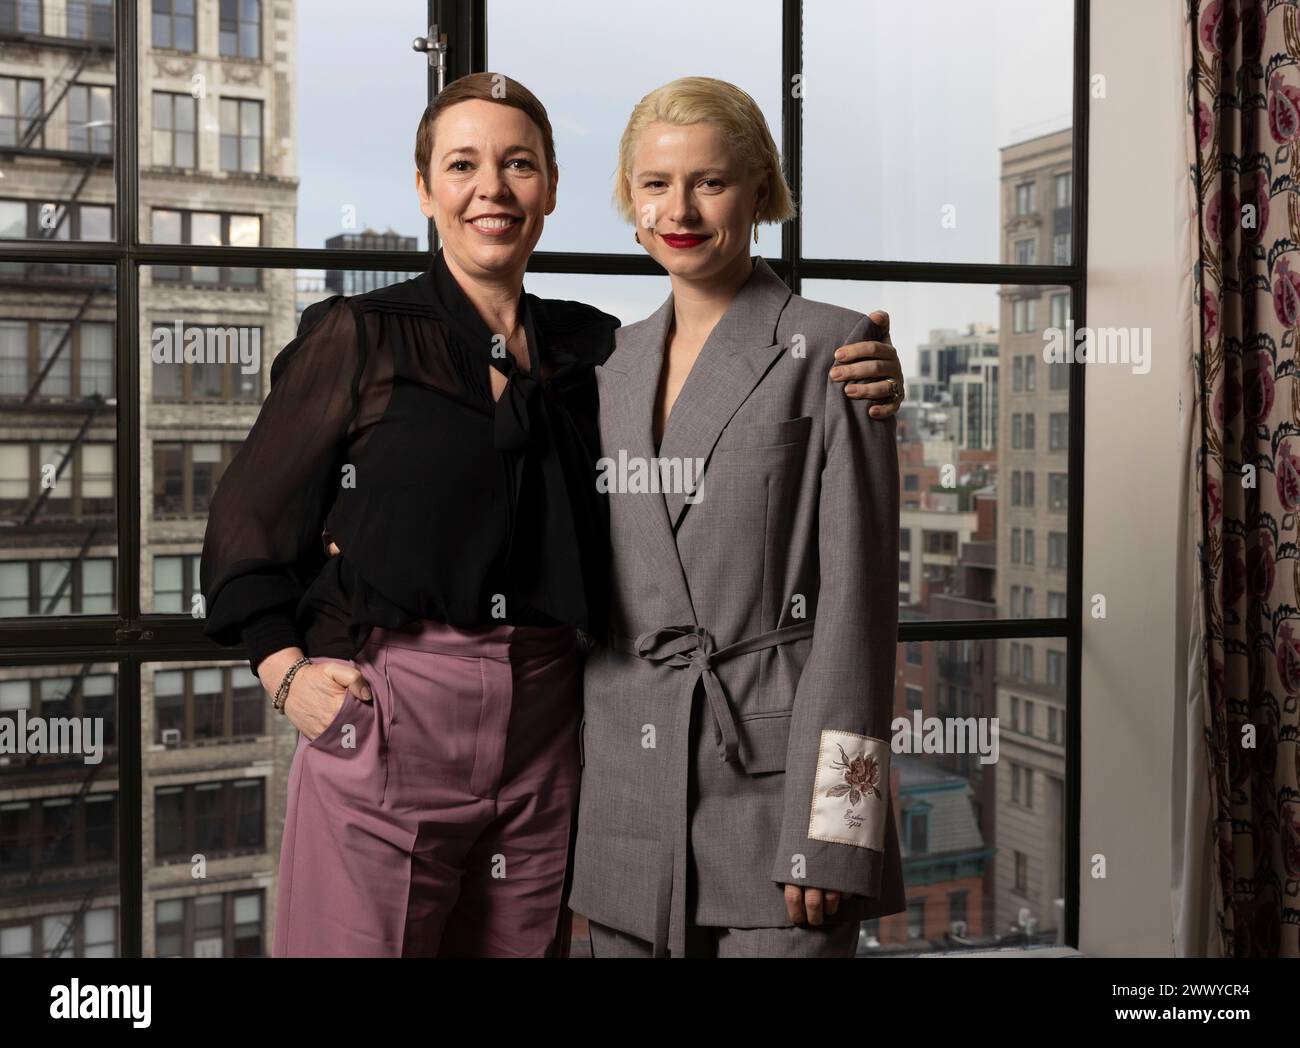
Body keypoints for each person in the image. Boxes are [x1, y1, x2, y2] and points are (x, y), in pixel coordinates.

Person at [199, 72, 904, 958]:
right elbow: (248, 527)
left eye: (518, 164)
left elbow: (859, 618)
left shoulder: (595, 350)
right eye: (461, 165)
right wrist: (287, 673)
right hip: (438, 731)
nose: (490, 188)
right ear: (425, 189)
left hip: (570, 747)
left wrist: (842, 830)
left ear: (552, 188)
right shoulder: (380, 336)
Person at [568, 76, 905, 958]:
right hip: (625, 806)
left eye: (710, 183)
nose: (678, 209)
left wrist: (836, 832)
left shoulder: (834, 349)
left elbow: (858, 618)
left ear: (760, 190)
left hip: (774, 806)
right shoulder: (608, 368)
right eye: (654, 184)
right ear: (629, 200)